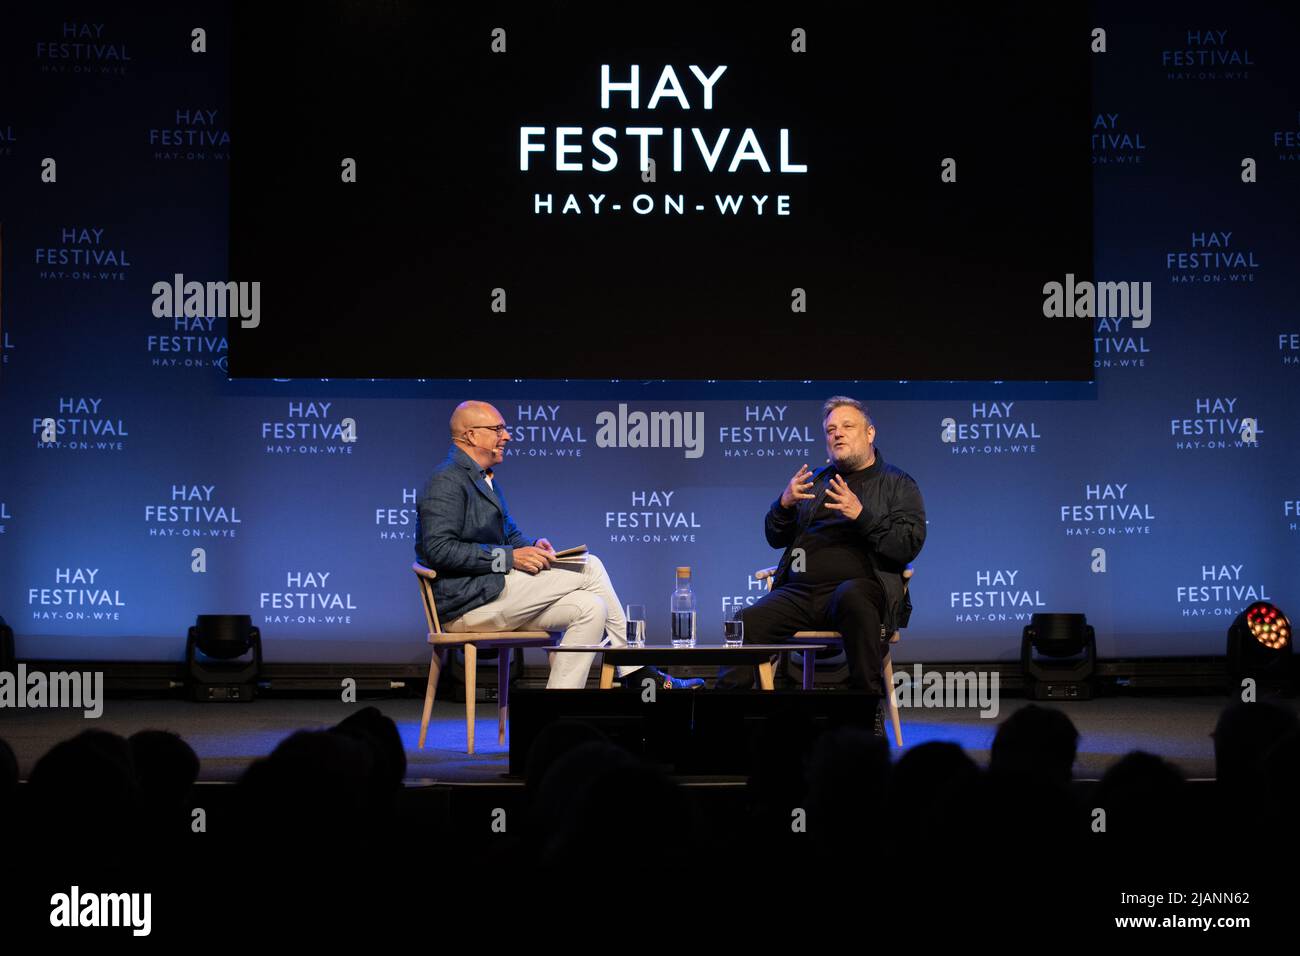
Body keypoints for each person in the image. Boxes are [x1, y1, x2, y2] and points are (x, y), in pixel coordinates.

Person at [416, 401, 701, 690]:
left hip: (491, 594)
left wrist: (533, 548)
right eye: (498, 429)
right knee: (590, 566)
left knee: (590, 607)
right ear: (471, 436)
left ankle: (558, 709)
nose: (507, 437)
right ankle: (636, 672)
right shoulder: (447, 480)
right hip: (467, 604)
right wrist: (510, 558)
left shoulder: (483, 479)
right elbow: (438, 550)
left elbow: (509, 535)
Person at [714, 397, 926, 732]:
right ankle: (721, 726)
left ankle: (866, 720)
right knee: (747, 621)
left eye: (847, 427)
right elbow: (774, 537)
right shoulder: (816, 481)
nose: (837, 434)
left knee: (854, 598)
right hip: (799, 593)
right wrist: (783, 505)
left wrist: (862, 516)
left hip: (858, 593)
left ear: (870, 433)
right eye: (830, 430)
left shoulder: (897, 483)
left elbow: (908, 545)